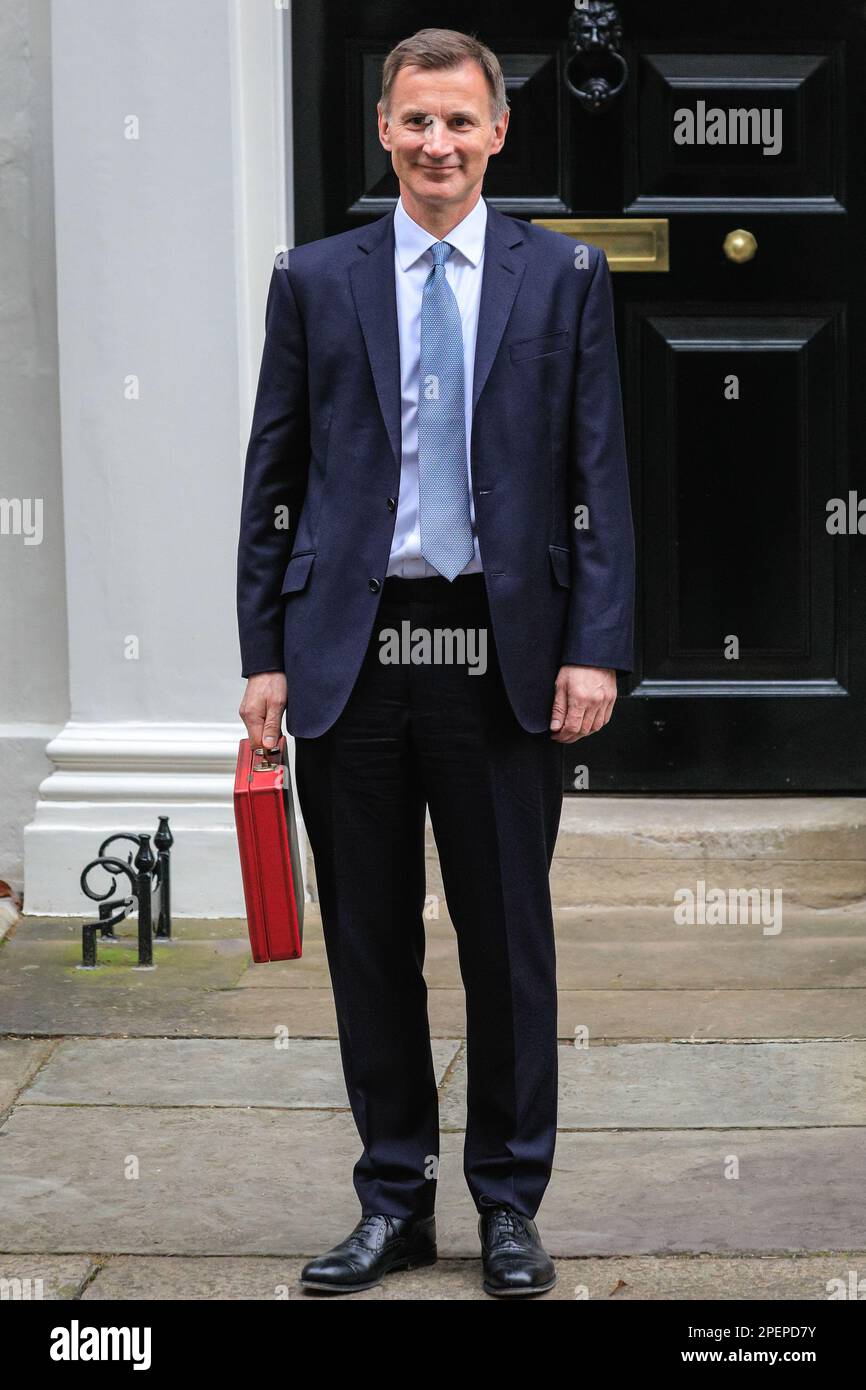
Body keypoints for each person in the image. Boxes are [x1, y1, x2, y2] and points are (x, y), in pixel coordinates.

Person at [237, 27, 635, 1298]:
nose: (437, 145)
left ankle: (509, 1204)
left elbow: (598, 479)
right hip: (349, 657)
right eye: (415, 121)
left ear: (498, 133)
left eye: (459, 122)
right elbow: (275, 478)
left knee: (506, 939)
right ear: (382, 130)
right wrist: (263, 654)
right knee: (366, 940)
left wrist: (596, 649)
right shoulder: (314, 278)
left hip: (500, 654)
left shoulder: (562, 277)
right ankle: (391, 1196)